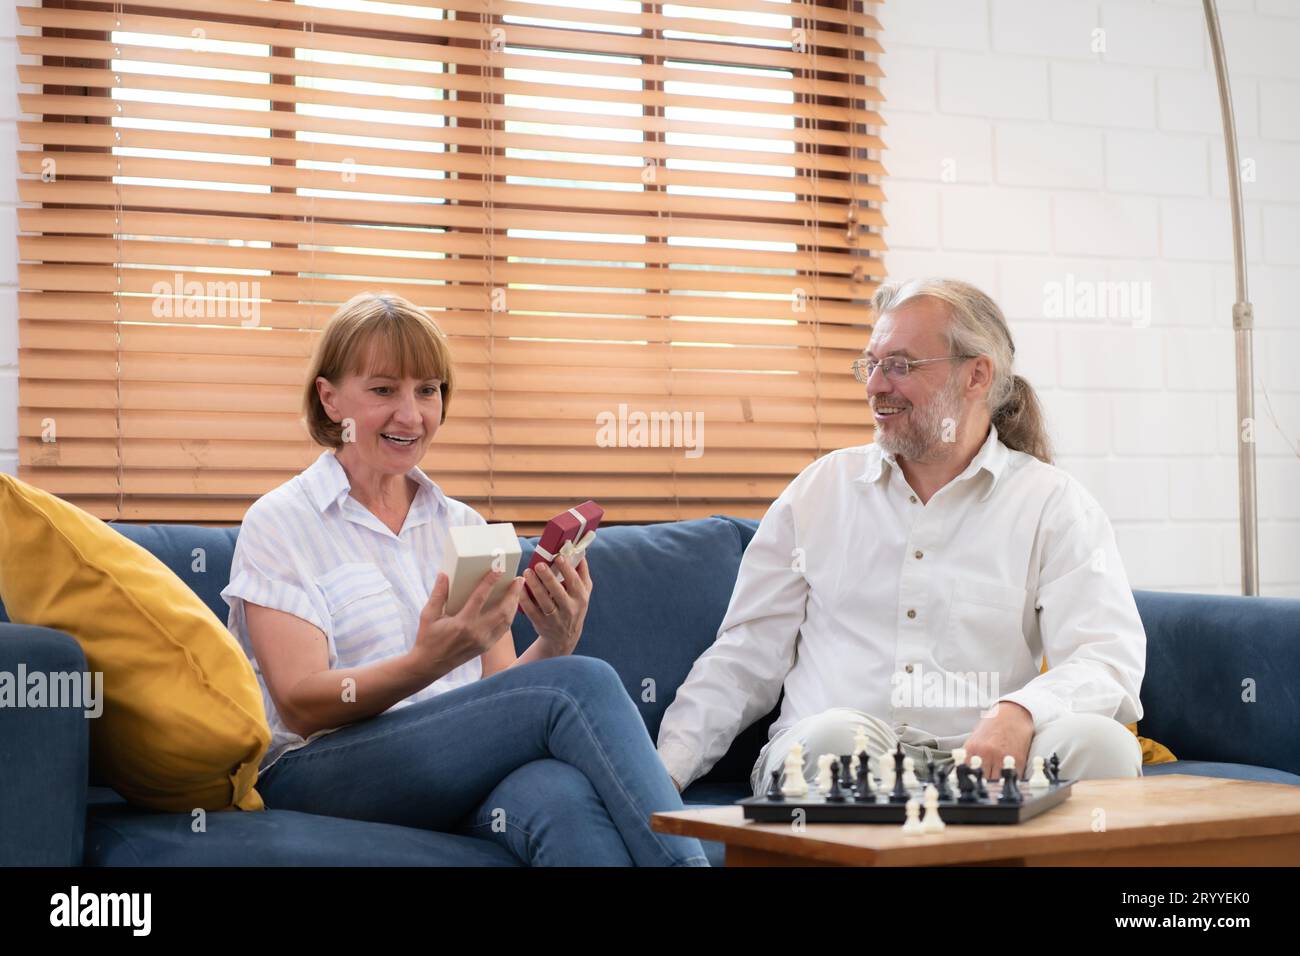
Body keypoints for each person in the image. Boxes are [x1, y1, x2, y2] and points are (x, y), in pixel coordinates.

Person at [221, 291, 707, 866]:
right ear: (330, 399)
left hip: (451, 770)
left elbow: (497, 697)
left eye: (428, 390)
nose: (412, 414)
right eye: (383, 390)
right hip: (323, 772)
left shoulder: (463, 525)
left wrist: (556, 640)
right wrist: (423, 664)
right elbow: (301, 703)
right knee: (587, 682)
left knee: (562, 799)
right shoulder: (282, 522)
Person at [656, 277, 1146, 796]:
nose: (874, 386)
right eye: (871, 364)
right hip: (839, 753)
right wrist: (663, 771)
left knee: (1104, 747)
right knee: (833, 742)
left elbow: (1106, 659)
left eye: (900, 365)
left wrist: (1020, 712)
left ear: (976, 375)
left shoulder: (1053, 503)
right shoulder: (821, 490)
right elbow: (745, 654)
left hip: (985, 767)